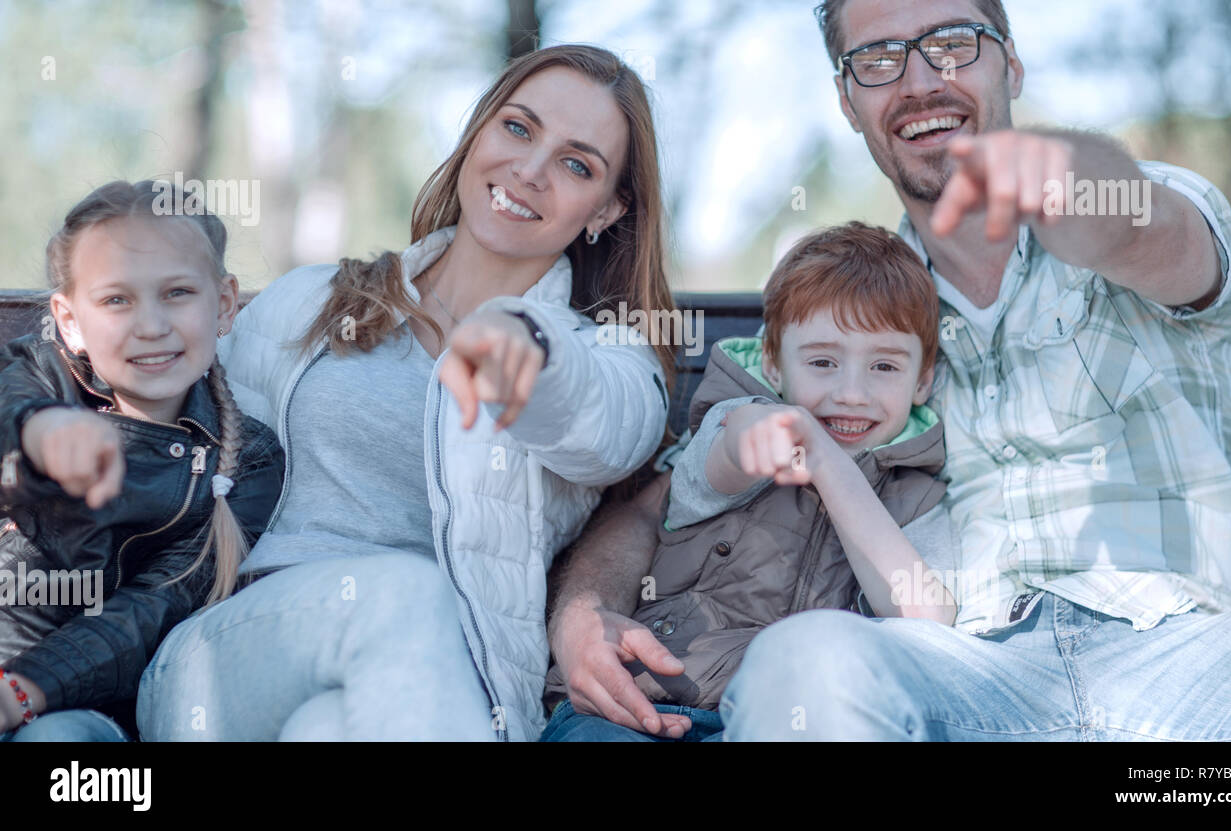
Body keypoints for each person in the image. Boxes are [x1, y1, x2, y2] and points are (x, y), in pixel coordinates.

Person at [546, 0, 1231, 742]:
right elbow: (670, 494)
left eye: (951, 44)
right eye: (877, 60)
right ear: (848, 102)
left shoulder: (1140, 208)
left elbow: (1150, 235)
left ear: (1010, 67)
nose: (918, 80)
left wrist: (1068, 183)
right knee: (808, 660)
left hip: (1205, 653)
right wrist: (586, 607)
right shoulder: (851, 302)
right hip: (966, 672)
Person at [136, 44, 674, 742]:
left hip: (439, 695)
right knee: (406, 593)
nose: (531, 170)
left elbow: (605, 425)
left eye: (577, 164)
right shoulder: (314, 301)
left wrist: (527, 345)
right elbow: (175, 422)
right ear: (477, 132)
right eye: (517, 128)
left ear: (607, 209)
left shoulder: (609, 360)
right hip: (230, 659)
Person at [541, 222, 960, 741]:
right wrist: (750, 432)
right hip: (643, 695)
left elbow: (926, 617)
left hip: (773, 718)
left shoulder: (917, 493)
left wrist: (828, 463)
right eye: (823, 361)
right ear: (773, 365)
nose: (852, 393)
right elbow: (719, 460)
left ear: (922, 381)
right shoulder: (752, 426)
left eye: (883, 366)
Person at [0, 180, 284, 741]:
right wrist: (44, 430)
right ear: (70, 321)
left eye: (177, 292)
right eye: (116, 300)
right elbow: (12, 413)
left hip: (68, 704)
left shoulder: (248, 461)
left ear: (224, 303)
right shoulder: (35, 380)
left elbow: (149, 611)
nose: (151, 326)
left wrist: (19, 692)